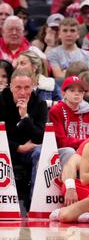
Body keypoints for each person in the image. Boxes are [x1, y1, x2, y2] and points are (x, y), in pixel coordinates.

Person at [0, 69, 46, 208]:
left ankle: (35, 204)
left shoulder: (40, 104)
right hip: (5, 148)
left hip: (30, 151)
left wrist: (25, 117)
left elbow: (40, 137)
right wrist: (18, 148)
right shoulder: (0, 101)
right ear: (10, 86)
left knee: (40, 154)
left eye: (27, 87)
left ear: (32, 87)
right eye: (18, 87)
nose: (22, 92)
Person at [49, 75, 89, 150]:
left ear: (83, 94)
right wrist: (86, 143)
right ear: (64, 93)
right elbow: (61, 142)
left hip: (87, 150)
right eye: (72, 90)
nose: (77, 93)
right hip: (64, 151)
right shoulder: (56, 110)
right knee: (70, 151)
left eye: (80, 91)